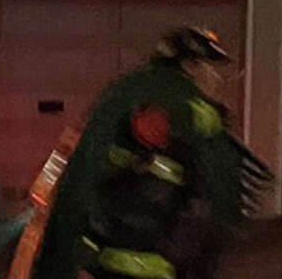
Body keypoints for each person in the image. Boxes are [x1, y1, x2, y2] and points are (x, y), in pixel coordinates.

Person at [27, 27, 253, 279]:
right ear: (191, 66)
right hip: (158, 256)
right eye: (212, 69)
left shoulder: (120, 92)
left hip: (102, 253)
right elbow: (219, 191)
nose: (217, 80)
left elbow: (79, 180)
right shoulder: (195, 107)